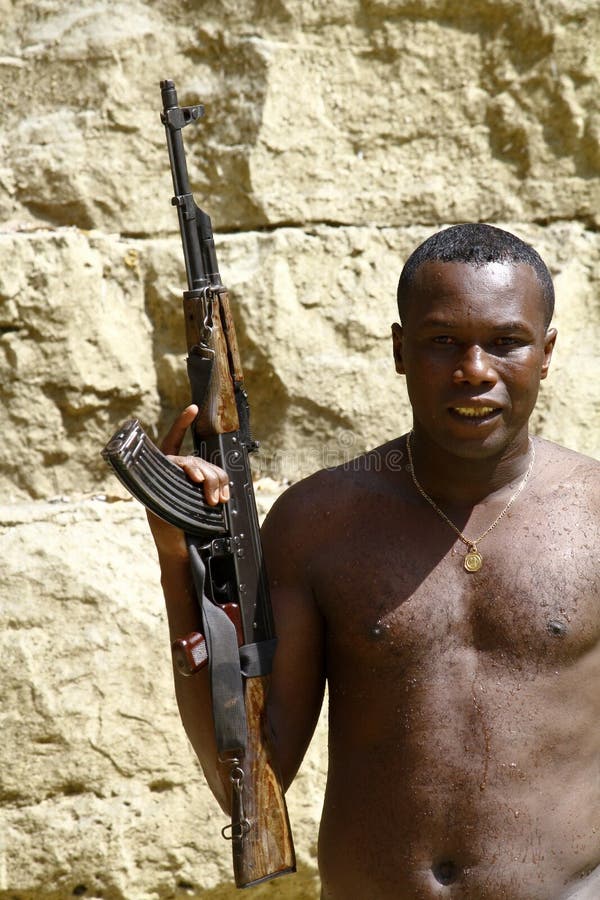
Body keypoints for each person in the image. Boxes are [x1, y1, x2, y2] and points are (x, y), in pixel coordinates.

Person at [148, 223, 599, 899]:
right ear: (398, 350)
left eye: (506, 342)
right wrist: (178, 564)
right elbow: (246, 781)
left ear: (546, 352)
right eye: (442, 341)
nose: (473, 369)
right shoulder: (320, 523)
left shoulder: (593, 513)